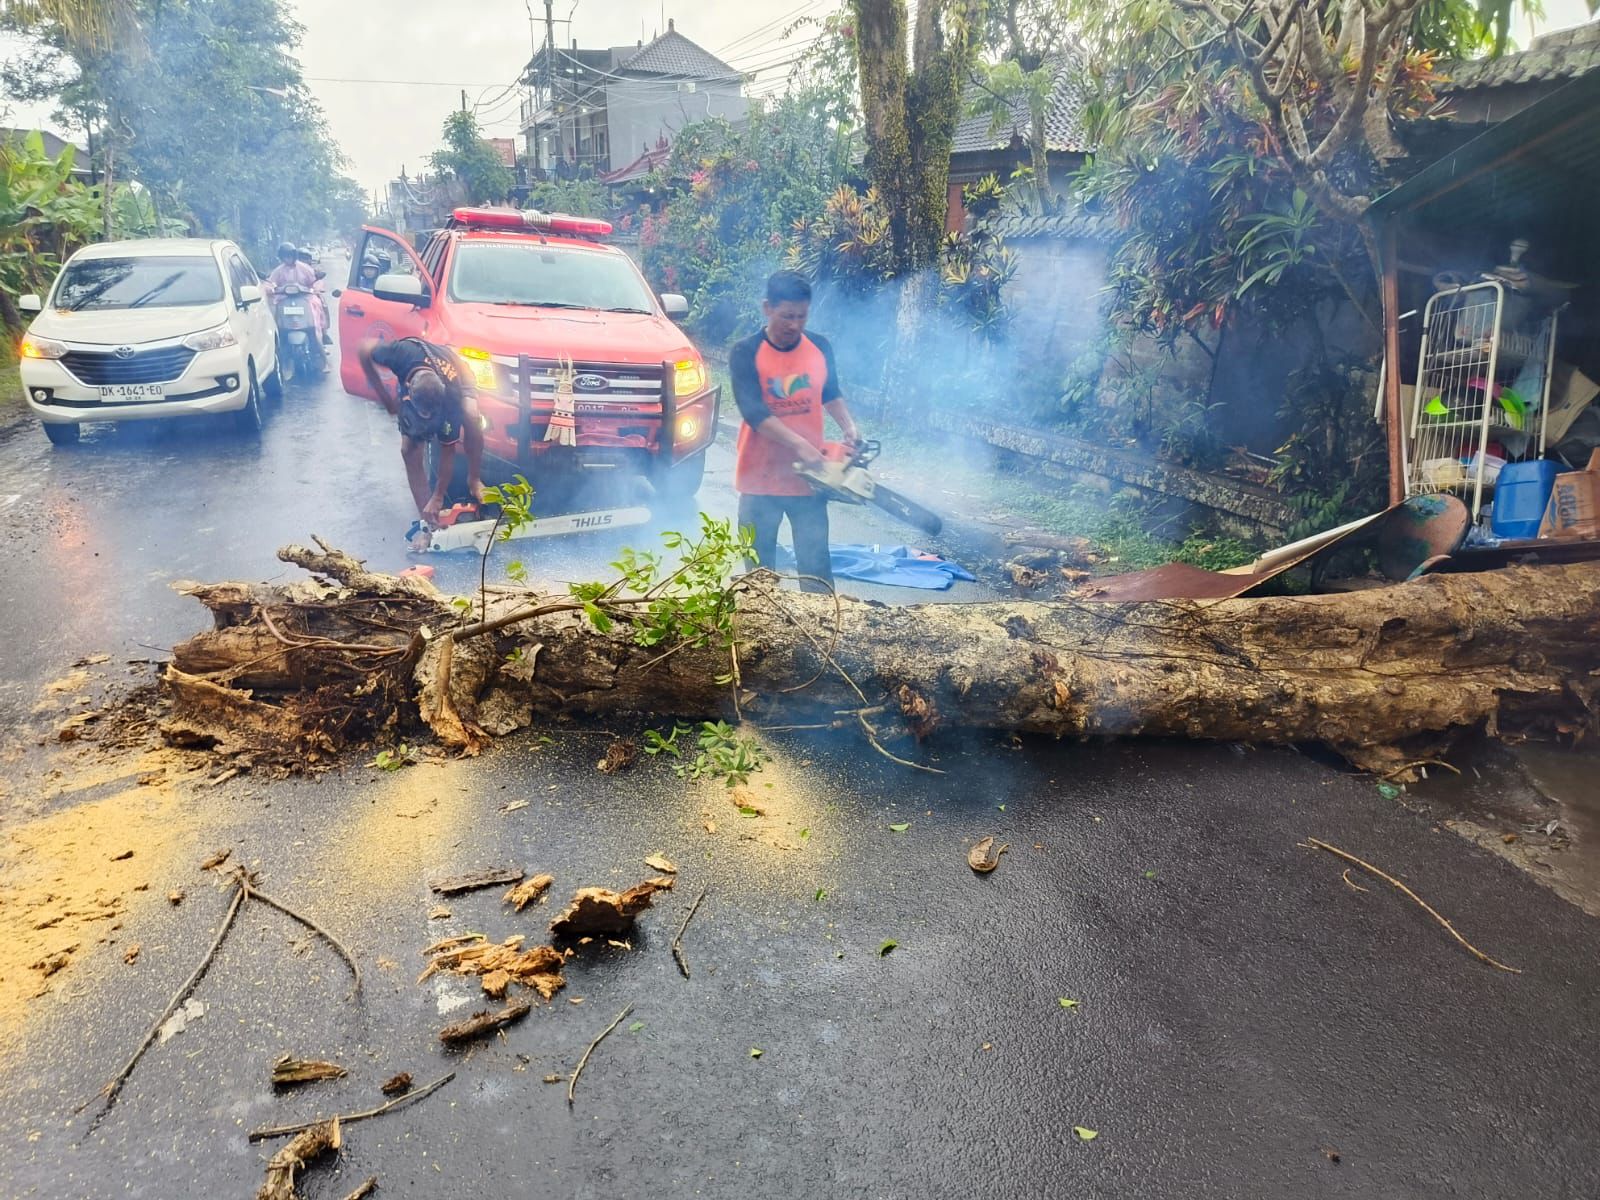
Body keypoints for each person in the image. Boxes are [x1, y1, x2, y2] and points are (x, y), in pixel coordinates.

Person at [730, 270, 861, 593]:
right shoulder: (745, 352)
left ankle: (821, 634)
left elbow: (830, 391)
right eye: (787, 316)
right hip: (759, 480)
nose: (795, 325)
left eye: (802, 316)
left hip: (809, 479)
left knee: (816, 569)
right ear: (767, 308)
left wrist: (849, 426)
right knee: (759, 576)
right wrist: (799, 444)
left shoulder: (819, 346)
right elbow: (755, 412)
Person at [357, 336, 487, 524]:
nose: (428, 420)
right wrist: (385, 399)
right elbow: (365, 348)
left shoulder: (450, 396)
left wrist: (438, 496)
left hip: (458, 372)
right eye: (423, 414)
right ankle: (427, 521)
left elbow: (447, 451)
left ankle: (474, 480)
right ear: (408, 389)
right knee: (408, 450)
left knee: (471, 413)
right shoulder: (398, 354)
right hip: (417, 371)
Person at [265, 242, 327, 345]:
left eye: (290, 256)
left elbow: (315, 281)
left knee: (317, 304)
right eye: (285, 256)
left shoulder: (304, 268)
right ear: (281, 258)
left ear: (294, 256)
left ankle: (320, 334)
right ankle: (275, 339)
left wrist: (316, 288)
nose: (287, 259)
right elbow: (270, 283)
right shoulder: (278, 271)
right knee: (271, 310)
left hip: (305, 298)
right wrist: (269, 289)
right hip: (284, 300)